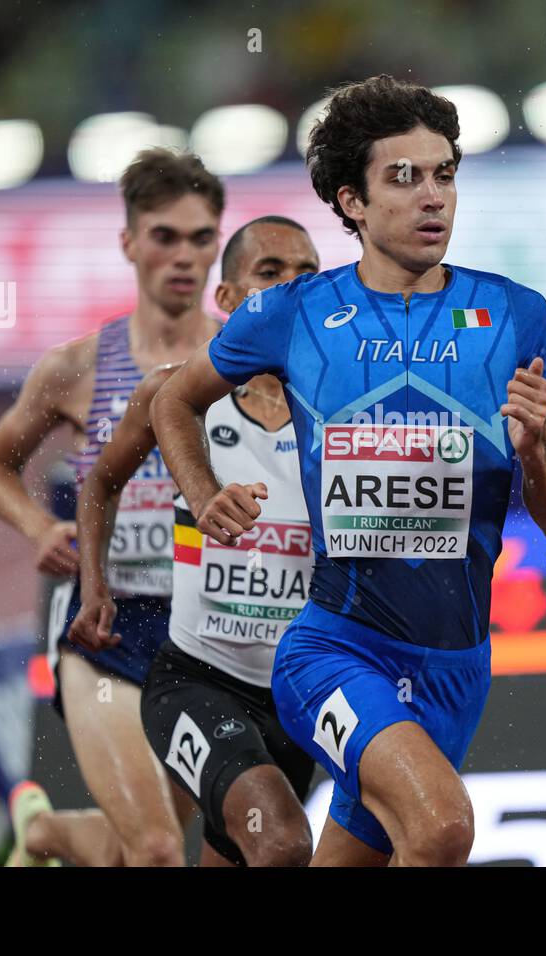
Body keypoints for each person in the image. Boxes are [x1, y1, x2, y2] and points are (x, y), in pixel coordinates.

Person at [151, 74, 546, 866]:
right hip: (334, 652)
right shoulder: (293, 312)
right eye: (404, 178)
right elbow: (173, 401)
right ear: (352, 200)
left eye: (445, 174)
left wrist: (532, 453)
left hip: (458, 667)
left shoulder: (517, 315)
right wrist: (203, 493)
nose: (433, 197)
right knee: (442, 826)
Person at [0, 148, 224, 866]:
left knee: (139, 848)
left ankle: (45, 834)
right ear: (129, 243)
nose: (184, 256)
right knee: (157, 850)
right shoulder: (76, 367)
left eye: (200, 238)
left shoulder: (241, 359)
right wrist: (39, 526)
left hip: (208, 629)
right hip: (105, 625)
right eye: (164, 237)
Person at [70, 216, 338, 866]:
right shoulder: (173, 394)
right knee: (281, 841)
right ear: (227, 298)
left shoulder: (344, 409)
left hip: (296, 693)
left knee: (243, 853)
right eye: (270, 273)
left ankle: (53, 837)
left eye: (307, 274)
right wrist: (94, 588)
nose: (292, 287)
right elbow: (100, 483)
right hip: (197, 681)